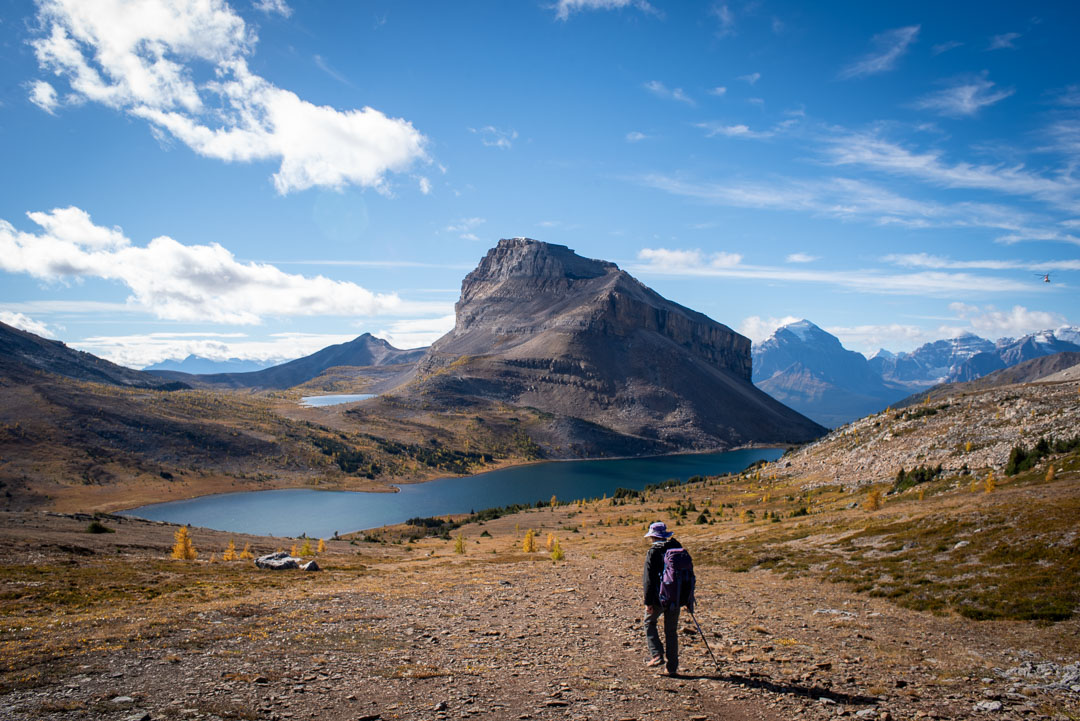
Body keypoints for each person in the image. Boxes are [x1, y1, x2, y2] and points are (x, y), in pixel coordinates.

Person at [642, 521, 682, 676]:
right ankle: (672, 668)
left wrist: (648, 602)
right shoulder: (676, 548)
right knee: (671, 631)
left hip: (659, 597)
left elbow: (648, 580)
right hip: (676, 596)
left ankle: (657, 654)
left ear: (653, 536)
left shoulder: (653, 552)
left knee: (649, 622)